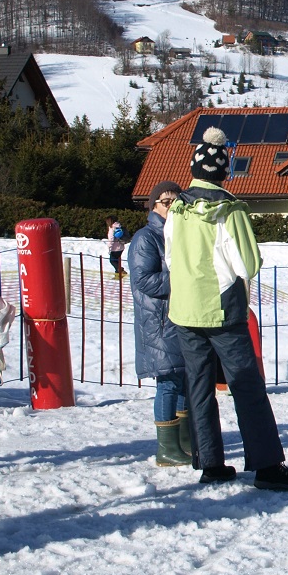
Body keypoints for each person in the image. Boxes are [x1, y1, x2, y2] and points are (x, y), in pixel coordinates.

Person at [164, 126, 288, 491]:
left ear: (194, 168)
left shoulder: (176, 210)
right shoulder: (227, 210)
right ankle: (266, 465)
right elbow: (249, 262)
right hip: (222, 310)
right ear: (224, 171)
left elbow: (170, 259)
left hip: (183, 310)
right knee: (246, 385)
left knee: (198, 386)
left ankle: (210, 462)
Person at [129, 181, 190, 466]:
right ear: (154, 206)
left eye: (176, 202)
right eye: (165, 202)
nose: (171, 207)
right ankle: (166, 448)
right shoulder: (146, 238)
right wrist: (184, 280)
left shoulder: (179, 234)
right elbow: (144, 280)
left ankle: (185, 441)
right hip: (159, 322)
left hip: (180, 318)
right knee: (168, 382)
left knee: (185, 380)